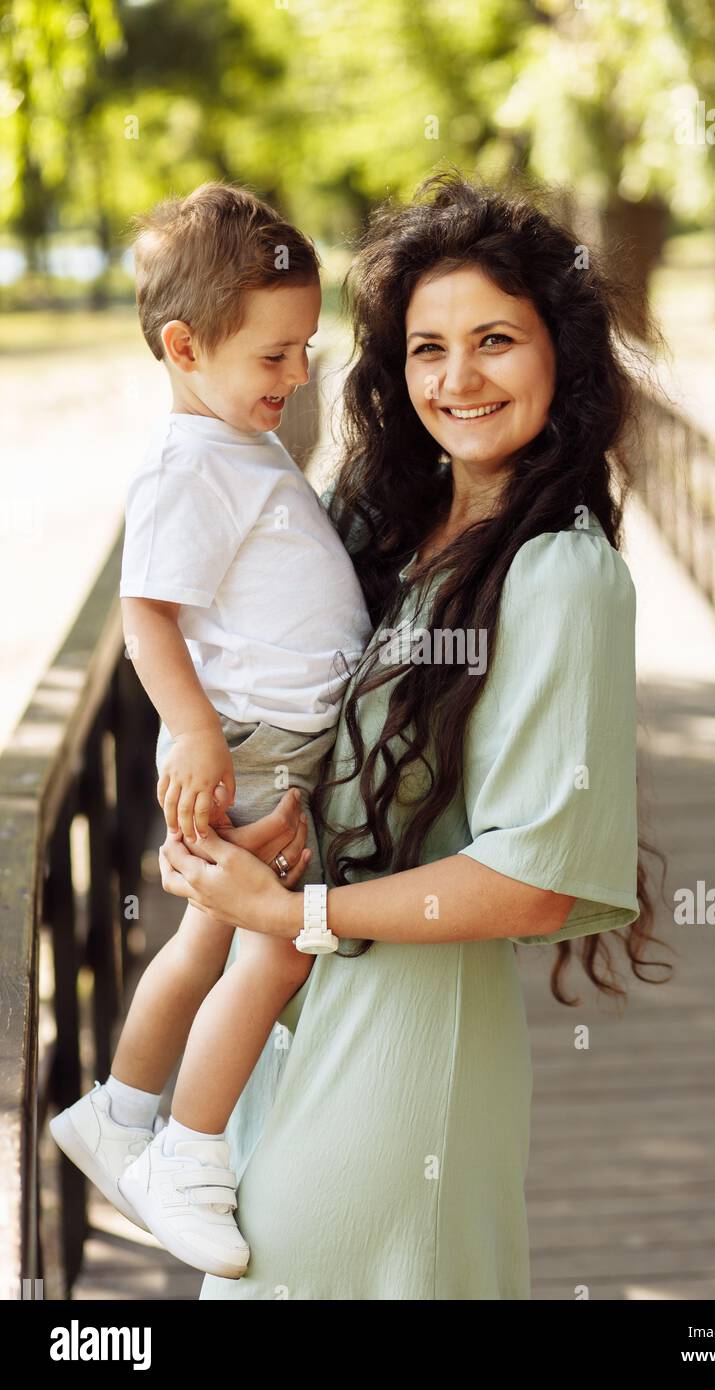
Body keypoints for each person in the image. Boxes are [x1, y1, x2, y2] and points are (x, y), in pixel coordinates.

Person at [157, 172, 669, 1300]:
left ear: (561, 355)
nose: (458, 378)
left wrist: (295, 913)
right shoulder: (379, 523)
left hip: (405, 1047)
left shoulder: (560, 575)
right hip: (290, 1013)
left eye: (495, 339)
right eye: (426, 348)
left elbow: (533, 881)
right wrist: (210, 818)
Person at [49, 182, 372, 1280]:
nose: (296, 377)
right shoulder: (189, 461)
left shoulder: (230, 439)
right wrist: (191, 732)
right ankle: (186, 1159)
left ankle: (121, 1113)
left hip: (269, 734)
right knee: (277, 942)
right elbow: (145, 609)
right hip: (259, 743)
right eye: (273, 358)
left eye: (305, 351)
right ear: (184, 346)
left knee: (204, 940)